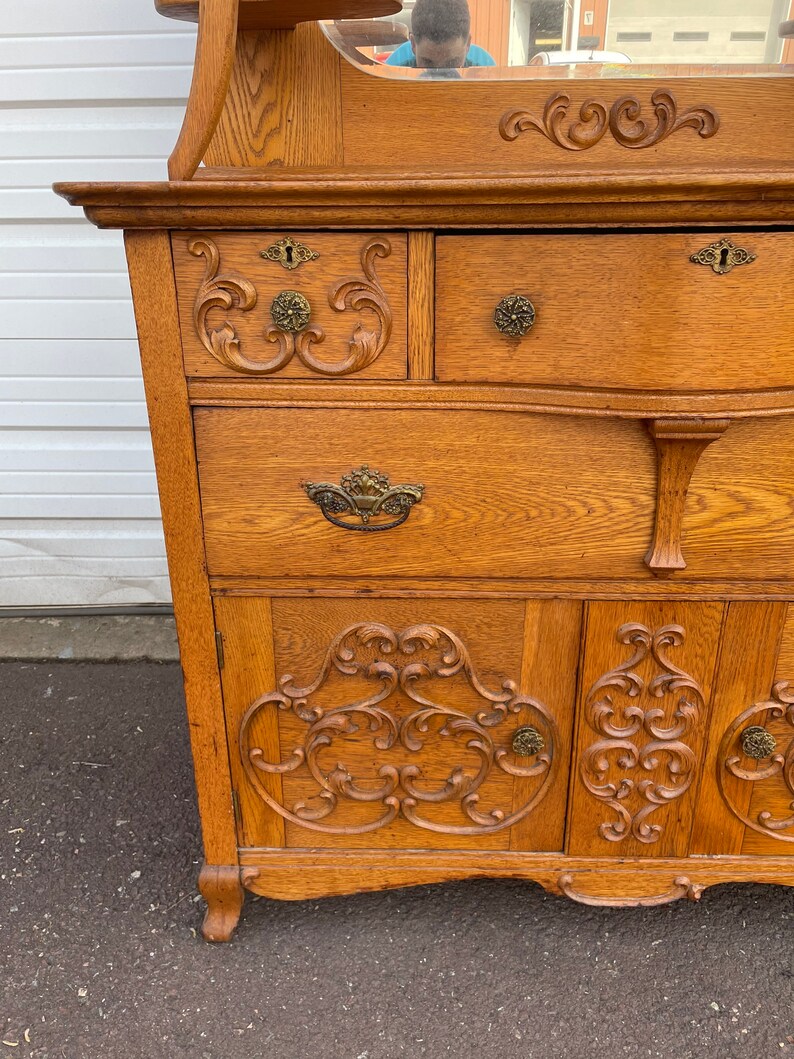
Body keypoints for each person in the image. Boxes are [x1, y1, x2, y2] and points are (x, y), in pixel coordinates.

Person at [385, 0, 496, 69]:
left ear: (468, 44)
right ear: (413, 44)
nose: (439, 76)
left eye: (452, 63)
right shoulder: (393, 70)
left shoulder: (484, 70)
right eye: (428, 63)